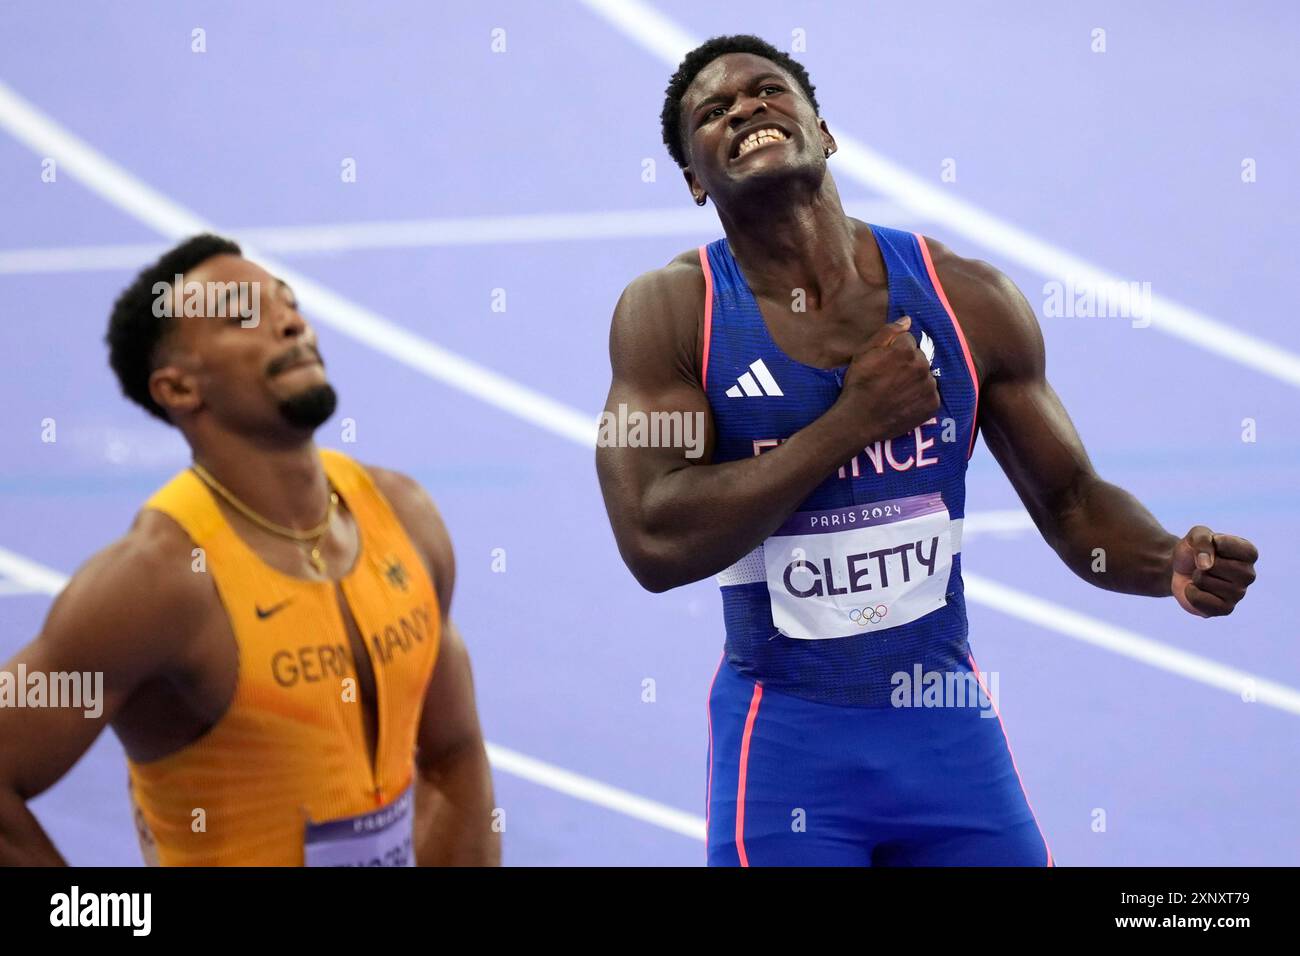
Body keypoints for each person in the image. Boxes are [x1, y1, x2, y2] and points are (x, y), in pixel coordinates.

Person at [595, 35, 1259, 866]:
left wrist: (1169, 561)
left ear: (824, 131)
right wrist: (849, 423)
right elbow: (653, 539)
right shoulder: (670, 314)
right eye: (715, 113)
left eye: (768, 92)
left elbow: (1074, 504)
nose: (747, 111)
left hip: (947, 737)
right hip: (787, 750)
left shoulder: (967, 298)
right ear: (696, 181)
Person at [0, 235, 498, 866]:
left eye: (287, 303)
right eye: (243, 315)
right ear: (179, 389)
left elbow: (453, 755)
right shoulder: (156, 585)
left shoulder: (405, 518)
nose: (289, 322)